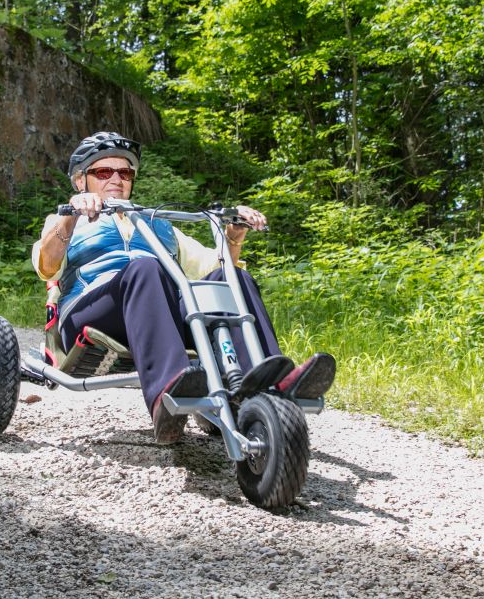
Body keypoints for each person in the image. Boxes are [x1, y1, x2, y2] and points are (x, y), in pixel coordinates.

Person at [32, 131, 335, 441]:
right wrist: (70, 214)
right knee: (145, 268)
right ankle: (168, 393)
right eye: (103, 172)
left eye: (124, 172)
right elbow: (47, 265)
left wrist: (233, 236)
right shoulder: (65, 222)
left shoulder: (158, 224)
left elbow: (215, 269)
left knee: (233, 280)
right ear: (80, 180)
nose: (116, 179)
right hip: (93, 313)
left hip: (157, 313)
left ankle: (269, 387)